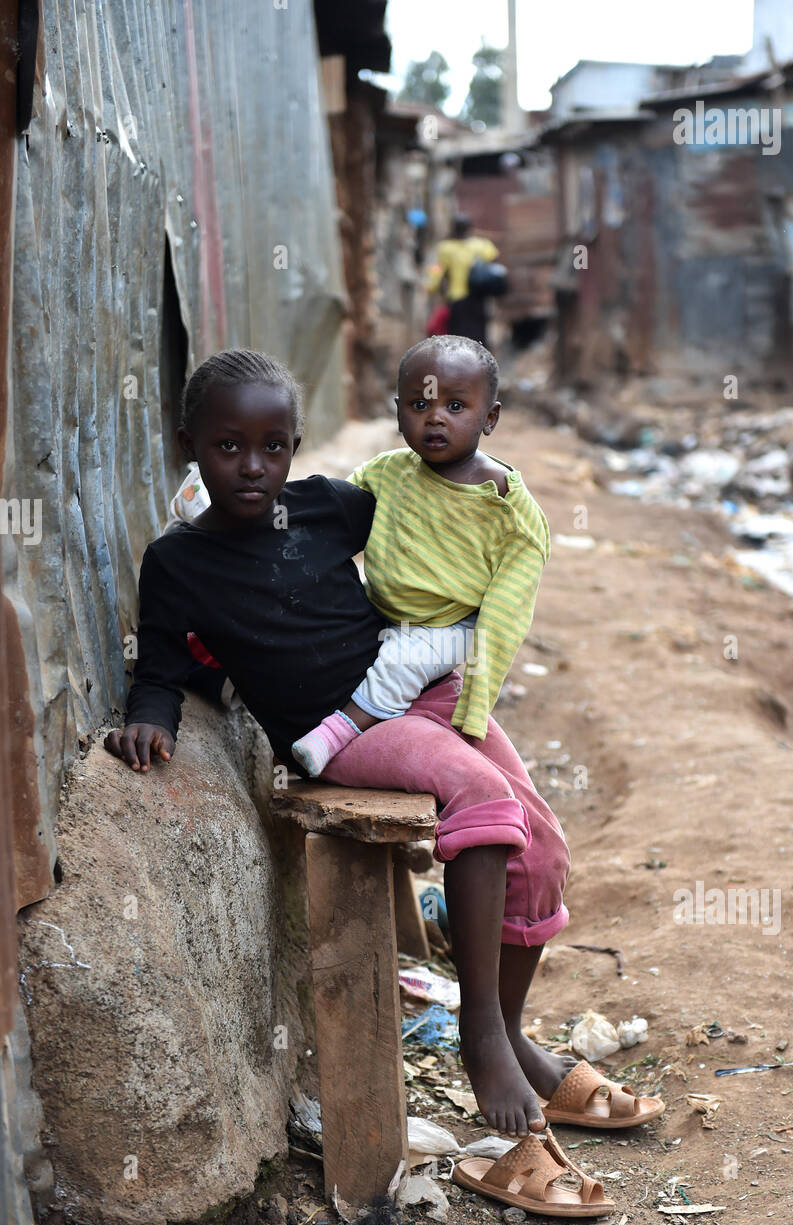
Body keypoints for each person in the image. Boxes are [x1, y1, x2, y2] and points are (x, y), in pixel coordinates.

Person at [105, 348, 662, 1140]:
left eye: (273, 445)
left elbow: (427, 500)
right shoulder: (178, 561)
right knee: (484, 798)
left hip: (419, 689)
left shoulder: (328, 508)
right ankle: (481, 1046)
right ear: (187, 442)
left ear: (296, 445)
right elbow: (160, 660)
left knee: (541, 846)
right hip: (335, 729)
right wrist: (152, 717)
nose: (253, 467)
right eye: (228, 447)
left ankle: (510, 1034)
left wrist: (499, 501)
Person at [291, 335, 547, 782]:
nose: (434, 418)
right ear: (397, 412)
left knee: (404, 659)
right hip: (384, 609)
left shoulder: (504, 505)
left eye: (455, 406)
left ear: (490, 418)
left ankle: (337, 732)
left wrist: (476, 706)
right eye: (418, 404)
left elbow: (508, 612)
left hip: (453, 625)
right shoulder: (385, 472)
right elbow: (332, 522)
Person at [427, 212, 498, 344]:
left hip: (457, 297)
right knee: (478, 334)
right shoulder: (481, 244)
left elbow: (437, 269)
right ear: (469, 228)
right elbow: (493, 259)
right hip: (478, 297)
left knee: (458, 337)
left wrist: (432, 286)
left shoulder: (445, 247)